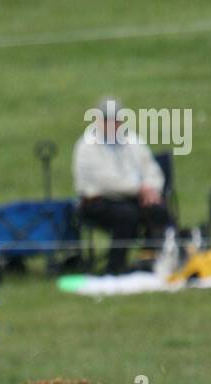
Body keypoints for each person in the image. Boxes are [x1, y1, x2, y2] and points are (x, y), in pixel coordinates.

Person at [73, 97, 172, 275]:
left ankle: (154, 261)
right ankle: (115, 267)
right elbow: (106, 180)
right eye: (107, 120)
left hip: (132, 197)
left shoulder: (132, 141)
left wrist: (152, 189)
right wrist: (139, 189)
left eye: (116, 120)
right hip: (97, 201)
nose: (113, 125)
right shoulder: (86, 146)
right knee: (127, 215)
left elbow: (151, 168)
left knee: (157, 209)